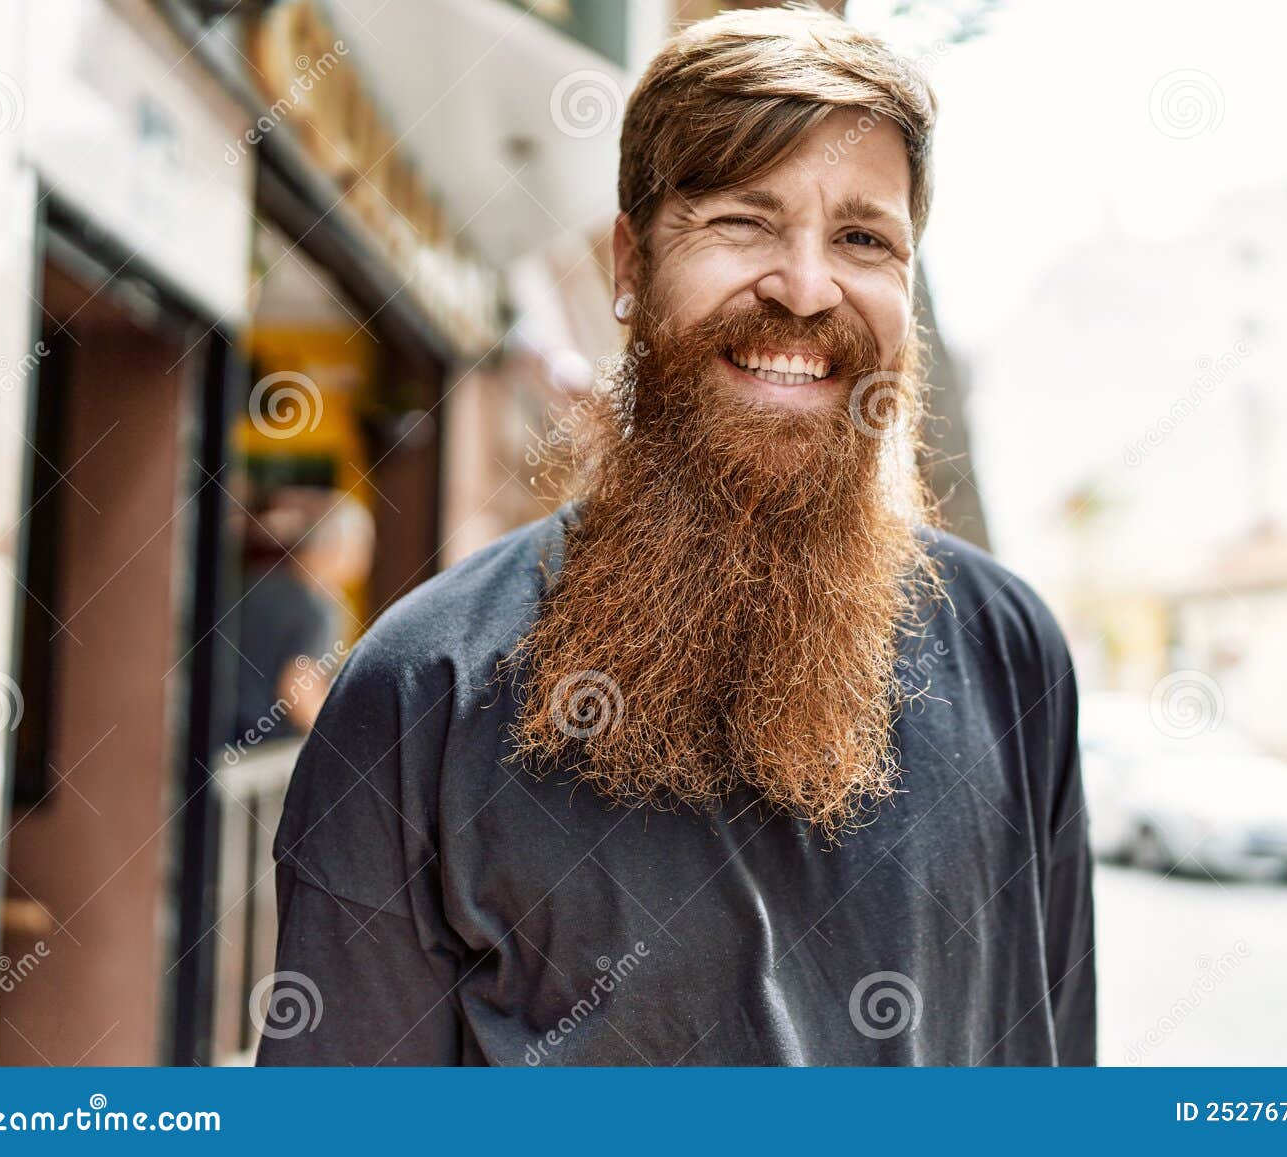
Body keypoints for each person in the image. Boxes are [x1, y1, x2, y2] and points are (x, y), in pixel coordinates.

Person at [257, 6, 1094, 1066]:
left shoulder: (1010, 651)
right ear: (629, 265)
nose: (803, 284)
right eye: (741, 221)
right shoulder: (422, 692)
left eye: (863, 237)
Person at [232, 489, 374, 745]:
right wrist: (342, 743)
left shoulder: (257, 582)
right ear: (338, 548)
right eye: (363, 545)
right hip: (261, 750)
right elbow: (298, 688)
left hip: (221, 736)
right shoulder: (320, 610)